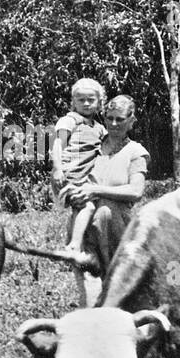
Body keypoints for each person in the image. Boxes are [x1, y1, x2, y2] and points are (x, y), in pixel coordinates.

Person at [65, 94, 149, 304]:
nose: (113, 124)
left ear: (132, 121)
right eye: (109, 118)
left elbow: (135, 191)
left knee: (118, 296)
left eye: (120, 119)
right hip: (84, 230)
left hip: (115, 232)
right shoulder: (92, 144)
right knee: (91, 299)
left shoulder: (135, 152)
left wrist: (96, 190)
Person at [50, 78, 107, 264]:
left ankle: (75, 245)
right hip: (68, 176)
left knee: (82, 209)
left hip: (86, 178)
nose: (86, 104)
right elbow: (57, 146)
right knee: (86, 206)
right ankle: (74, 246)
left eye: (91, 99)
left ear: (100, 102)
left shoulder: (99, 128)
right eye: (81, 100)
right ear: (73, 102)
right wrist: (57, 169)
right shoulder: (70, 120)